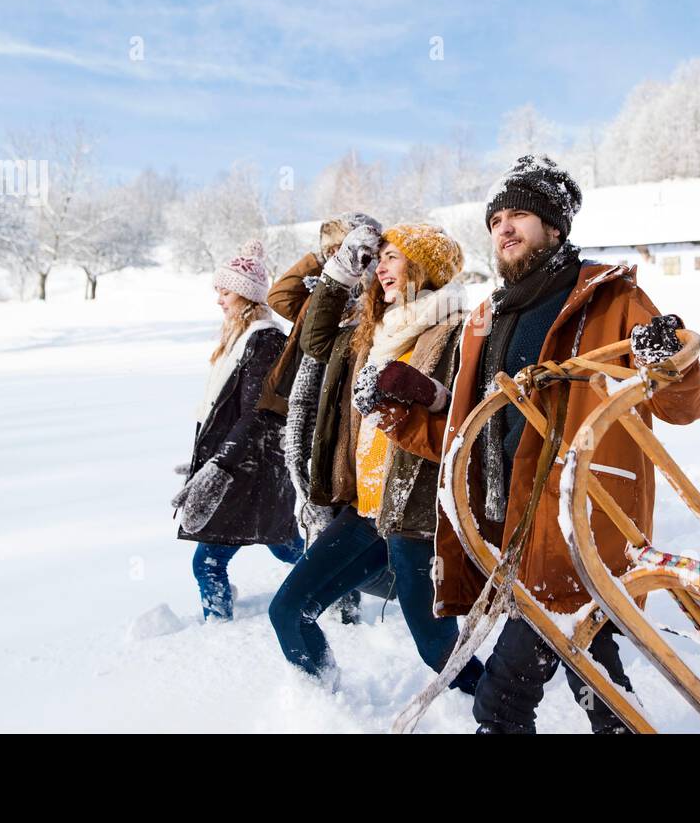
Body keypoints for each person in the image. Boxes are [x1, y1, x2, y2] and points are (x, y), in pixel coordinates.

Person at [371, 155, 700, 733]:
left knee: (502, 702)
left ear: (554, 226)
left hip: (579, 525)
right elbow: (468, 438)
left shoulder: (610, 299)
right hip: (508, 535)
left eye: (521, 214)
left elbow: (685, 407)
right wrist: (396, 419)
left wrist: (669, 361)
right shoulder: (485, 318)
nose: (505, 227)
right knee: (598, 682)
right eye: (496, 217)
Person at [267, 222, 484, 695]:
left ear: (423, 268)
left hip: (415, 514)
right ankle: (321, 705)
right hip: (365, 510)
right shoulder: (373, 334)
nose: (381, 267)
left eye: (393, 257)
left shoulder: (456, 332)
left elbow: (471, 421)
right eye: (379, 257)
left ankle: (498, 709)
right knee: (287, 610)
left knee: (436, 649)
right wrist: (341, 270)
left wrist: (429, 393)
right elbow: (314, 338)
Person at [172, 239, 304, 621]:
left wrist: (220, 464)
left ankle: (218, 630)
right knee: (284, 544)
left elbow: (258, 415)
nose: (219, 300)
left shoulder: (263, 340)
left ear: (246, 297)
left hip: (249, 472)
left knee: (208, 561)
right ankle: (336, 583)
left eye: (225, 291)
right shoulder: (240, 340)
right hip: (248, 469)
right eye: (218, 291)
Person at [262, 213, 382, 623]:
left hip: (337, 406)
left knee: (333, 502)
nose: (336, 255)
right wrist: (319, 260)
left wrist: (348, 274)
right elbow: (278, 296)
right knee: (312, 504)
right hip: (304, 402)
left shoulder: (361, 297)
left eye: (341, 247)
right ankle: (329, 591)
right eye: (329, 248)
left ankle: (342, 599)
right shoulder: (317, 292)